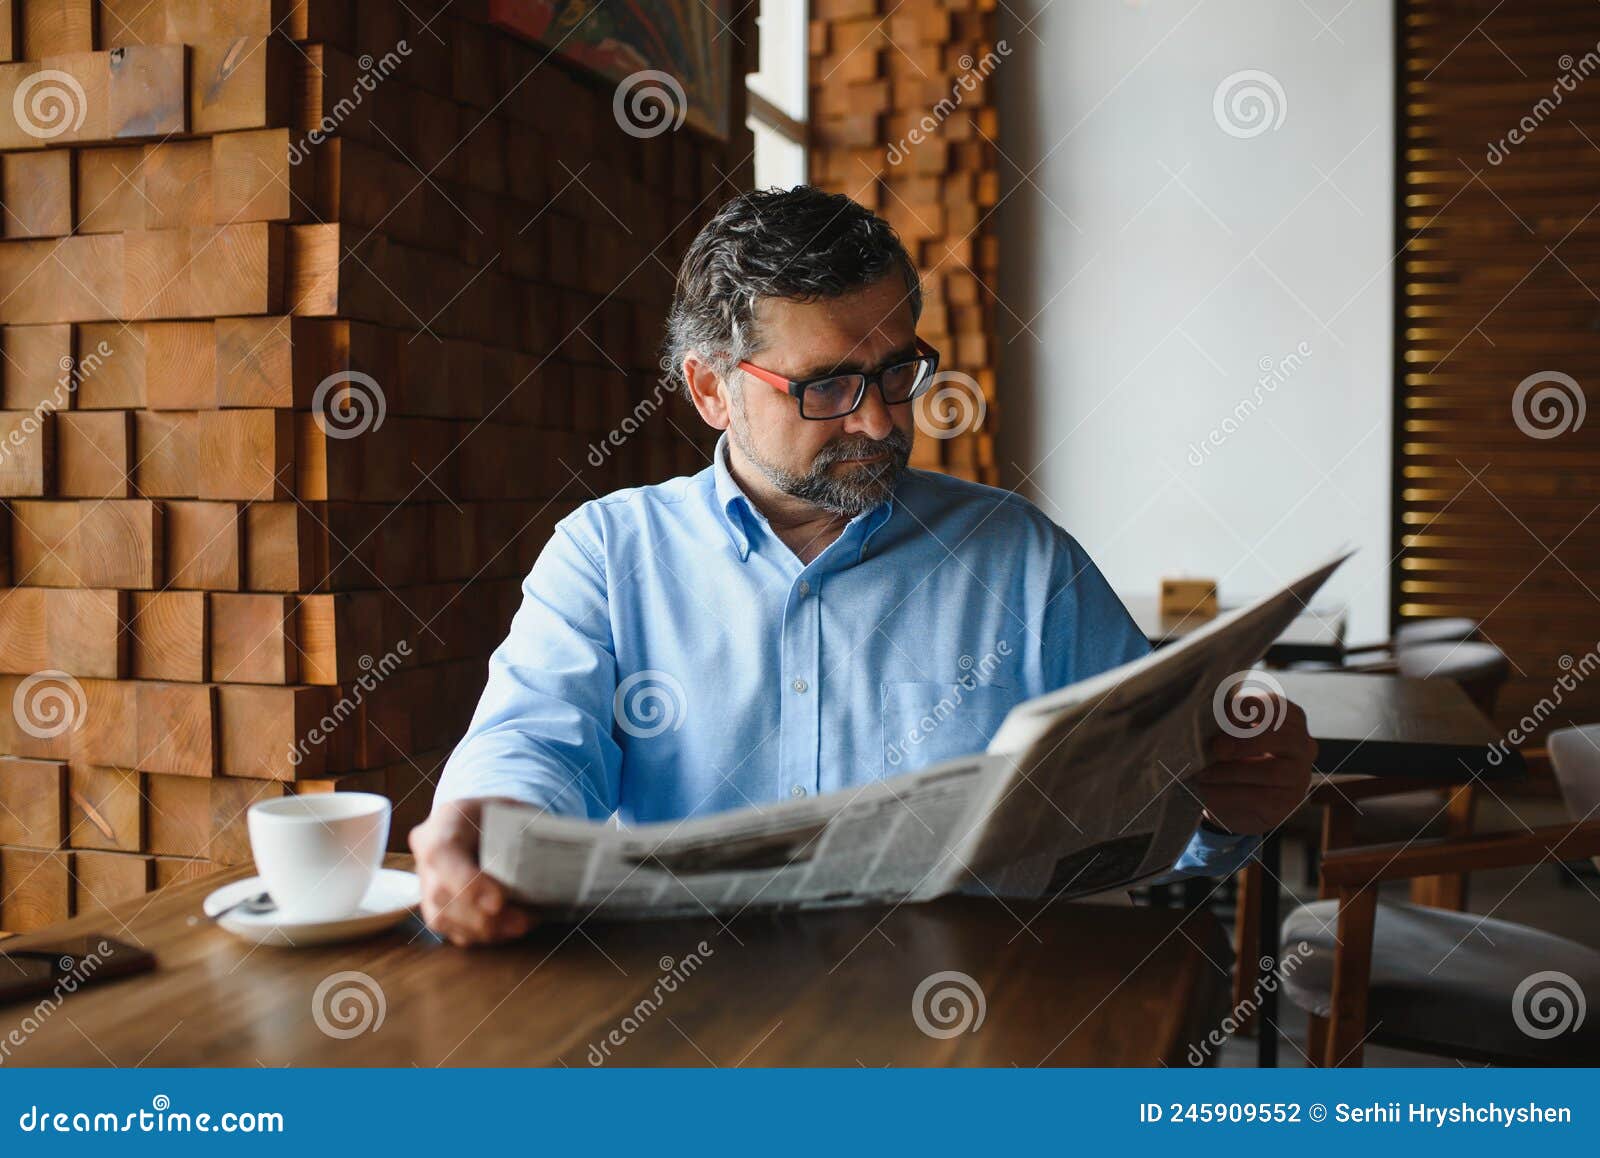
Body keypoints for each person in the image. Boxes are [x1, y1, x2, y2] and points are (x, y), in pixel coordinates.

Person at [412, 186, 1315, 946]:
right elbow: (531, 742)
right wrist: (477, 814)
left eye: (897, 372)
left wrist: (1233, 799)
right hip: (693, 1022)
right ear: (711, 390)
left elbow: (1154, 787)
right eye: (828, 387)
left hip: (970, 1030)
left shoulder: (1021, 558)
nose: (880, 423)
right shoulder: (608, 555)